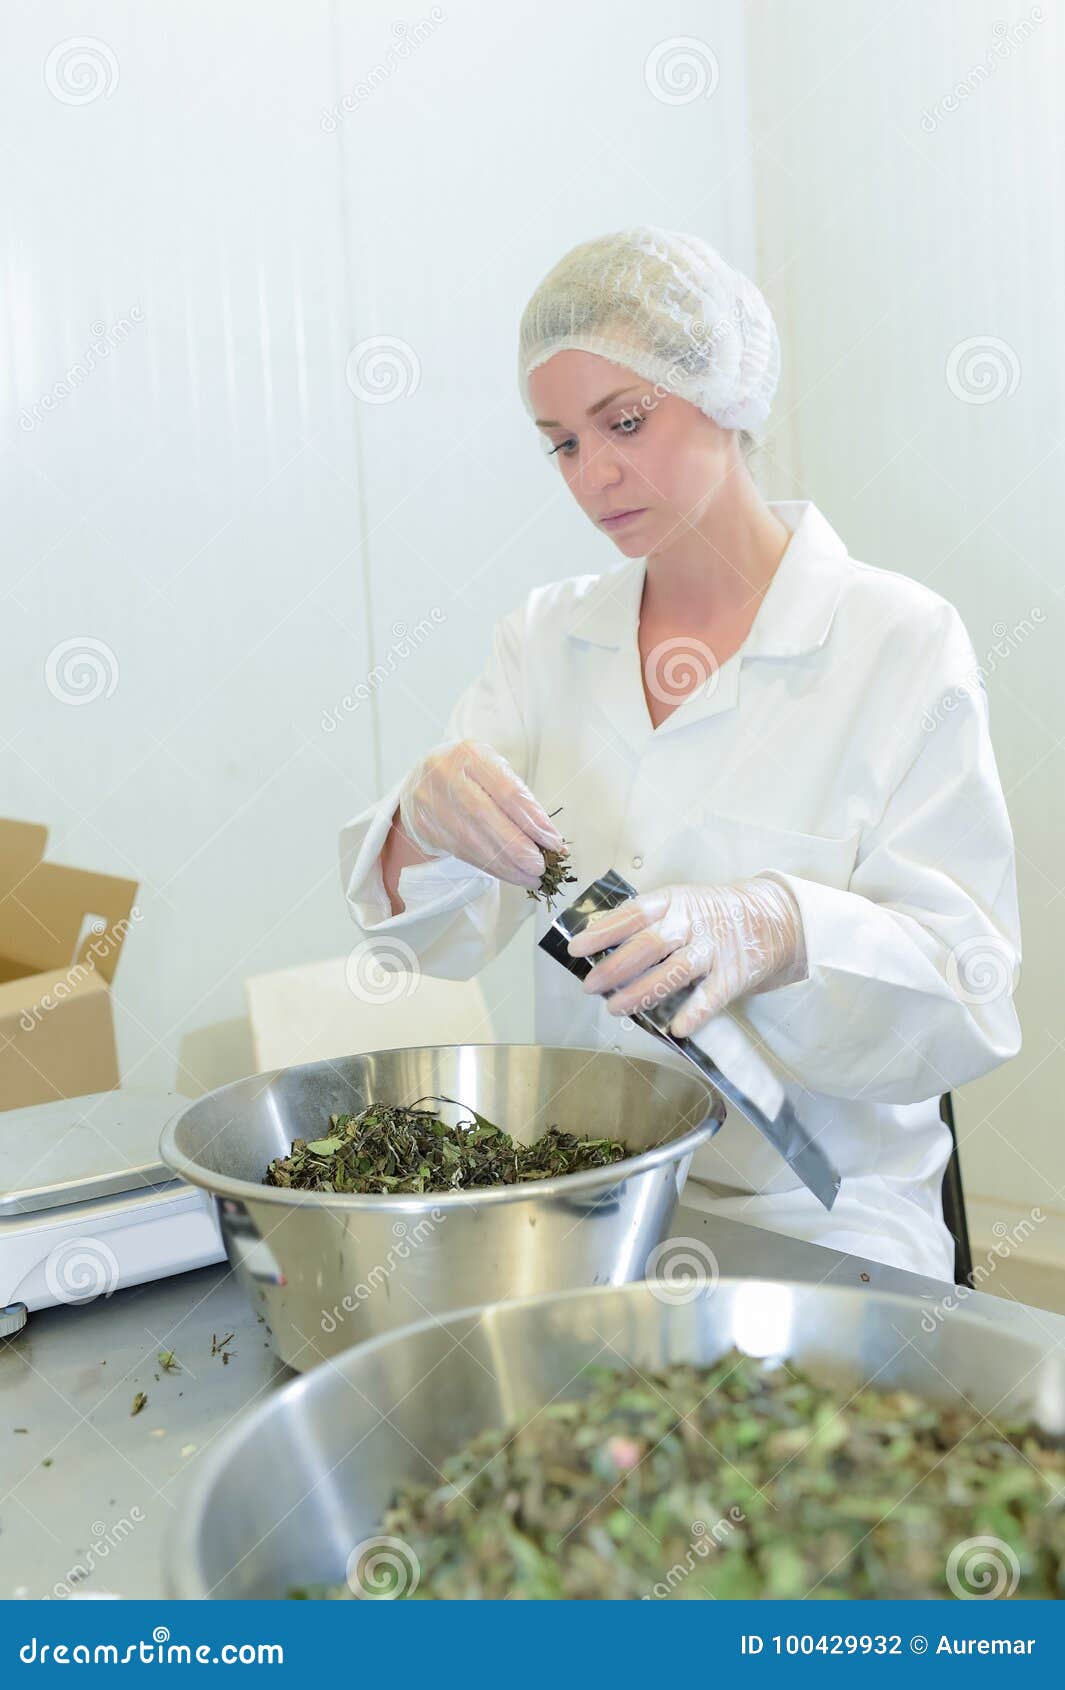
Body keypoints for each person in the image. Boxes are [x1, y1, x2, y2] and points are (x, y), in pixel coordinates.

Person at [338, 226, 1021, 1281]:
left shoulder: (899, 641)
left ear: (727, 393)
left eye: (625, 421)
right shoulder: (545, 639)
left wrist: (781, 927)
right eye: (561, 442)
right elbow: (423, 937)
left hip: (821, 1221)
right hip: (585, 1200)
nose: (593, 473)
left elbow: (970, 997)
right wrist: (422, 819)